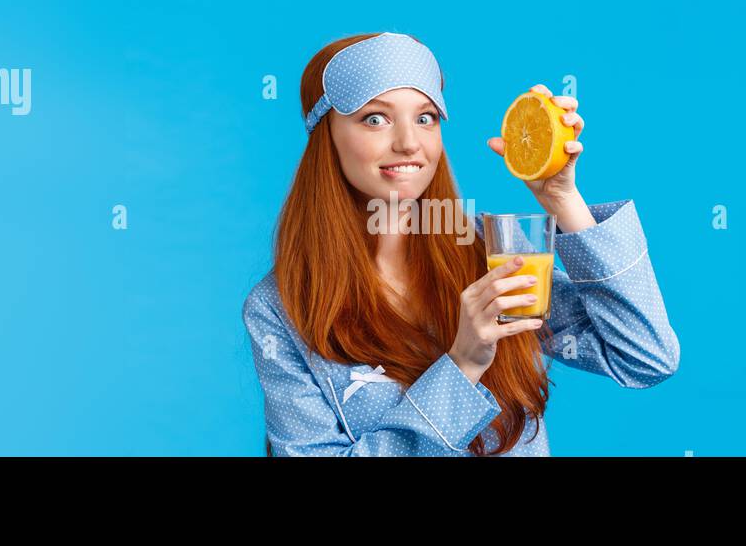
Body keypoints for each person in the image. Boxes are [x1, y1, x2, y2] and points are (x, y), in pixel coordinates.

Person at [242, 32, 680, 456]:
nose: (409, 142)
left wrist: (561, 198)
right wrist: (463, 365)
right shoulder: (280, 309)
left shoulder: (488, 254)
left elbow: (644, 356)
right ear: (327, 135)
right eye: (375, 118)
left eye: (425, 117)